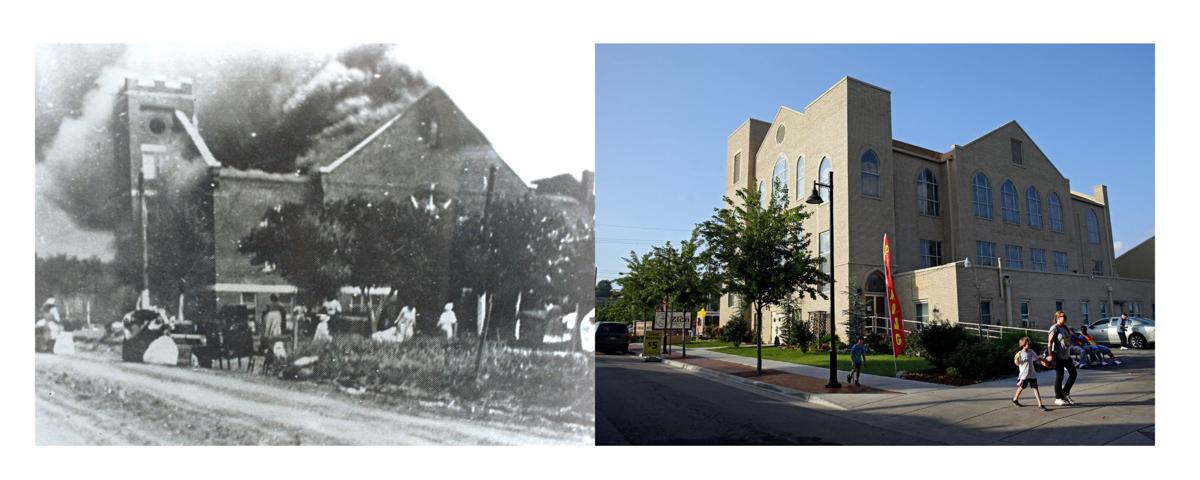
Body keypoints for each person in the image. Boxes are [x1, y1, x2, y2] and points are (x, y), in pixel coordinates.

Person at [1047, 311, 1079, 406]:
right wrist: (1050, 355)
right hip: (1058, 356)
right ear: (1057, 317)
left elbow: (1067, 340)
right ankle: (1058, 398)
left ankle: (1065, 392)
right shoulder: (1054, 328)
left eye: (1064, 316)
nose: (1064, 318)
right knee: (1059, 377)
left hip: (1066, 356)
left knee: (1073, 374)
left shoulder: (1065, 328)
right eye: (1061, 316)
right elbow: (1050, 343)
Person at [1012, 336, 1049, 411]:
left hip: (1032, 374)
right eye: (1027, 344)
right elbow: (1017, 363)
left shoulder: (1031, 351)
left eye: (1029, 344)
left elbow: (1037, 358)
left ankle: (1040, 404)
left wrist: (1044, 361)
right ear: (1023, 344)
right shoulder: (1019, 353)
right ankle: (1015, 399)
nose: (1028, 345)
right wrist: (1017, 359)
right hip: (1024, 376)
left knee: (1036, 388)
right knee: (1021, 388)